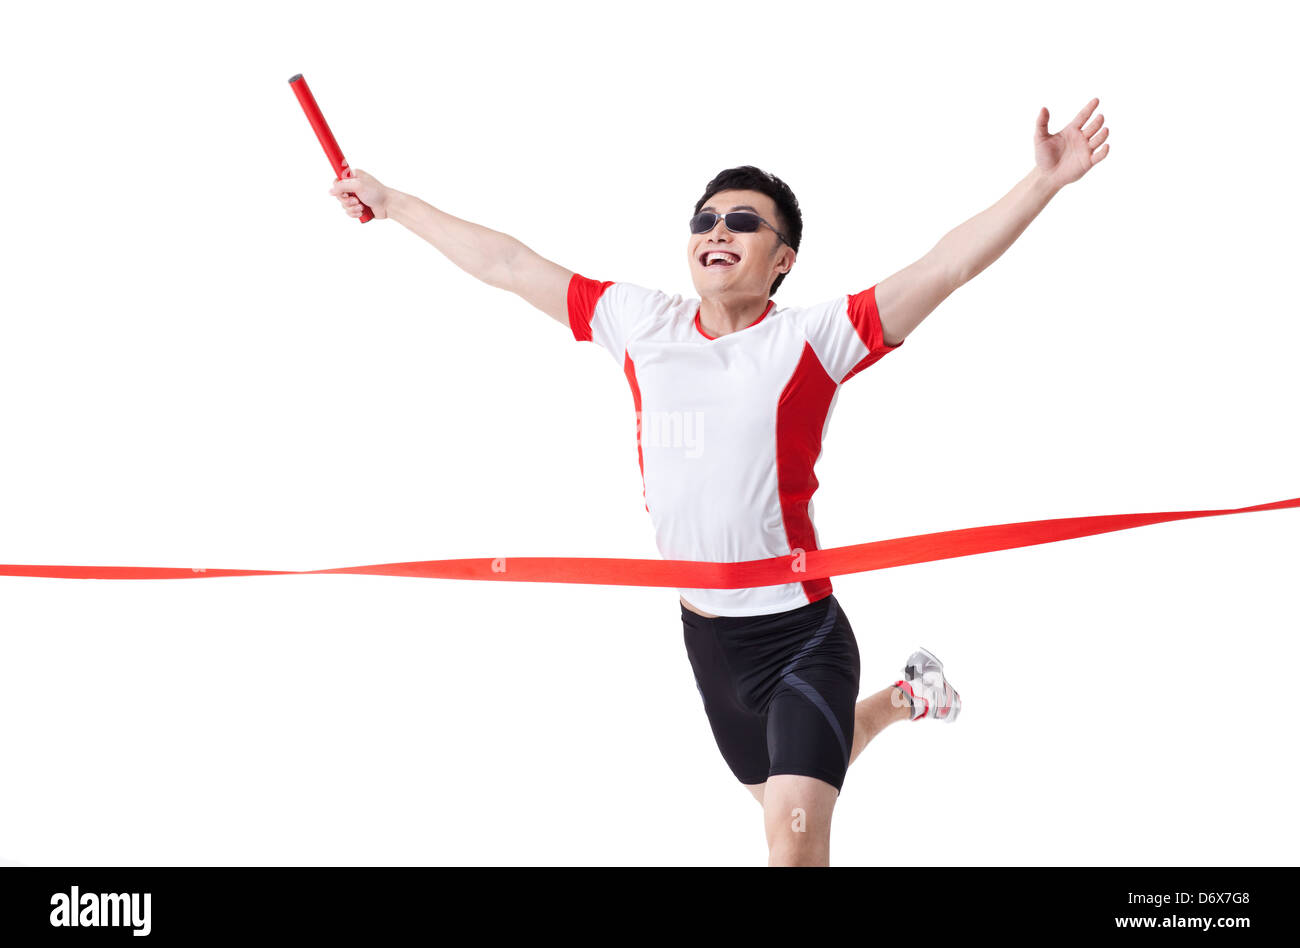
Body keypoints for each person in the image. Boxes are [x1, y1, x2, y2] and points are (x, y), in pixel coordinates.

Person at [328, 98, 1109, 866]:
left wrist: (1042, 182)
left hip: (800, 638)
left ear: (783, 260)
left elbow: (947, 265)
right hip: (707, 642)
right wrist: (392, 203)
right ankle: (910, 697)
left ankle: (894, 699)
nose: (717, 232)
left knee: (794, 845)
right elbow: (508, 264)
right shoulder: (640, 323)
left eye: (743, 222)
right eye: (704, 221)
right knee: (787, 800)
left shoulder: (814, 339)